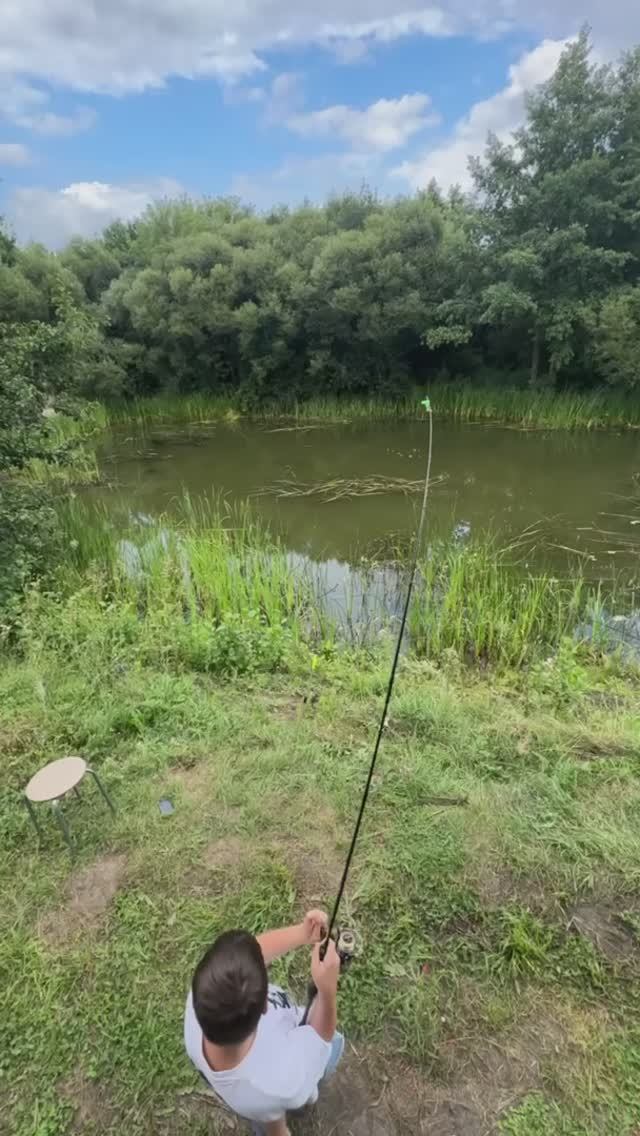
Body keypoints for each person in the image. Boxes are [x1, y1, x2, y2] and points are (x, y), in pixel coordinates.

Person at [184, 909, 344, 1136]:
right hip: (286, 1081)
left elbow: (252, 953)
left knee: (267, 1115)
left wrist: (302, 933)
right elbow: (320, 1038)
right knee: (328, 1054)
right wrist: (327, 992)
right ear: (265, 1008)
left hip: (252, 1100)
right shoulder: (283, 1080)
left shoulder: (200, 999)